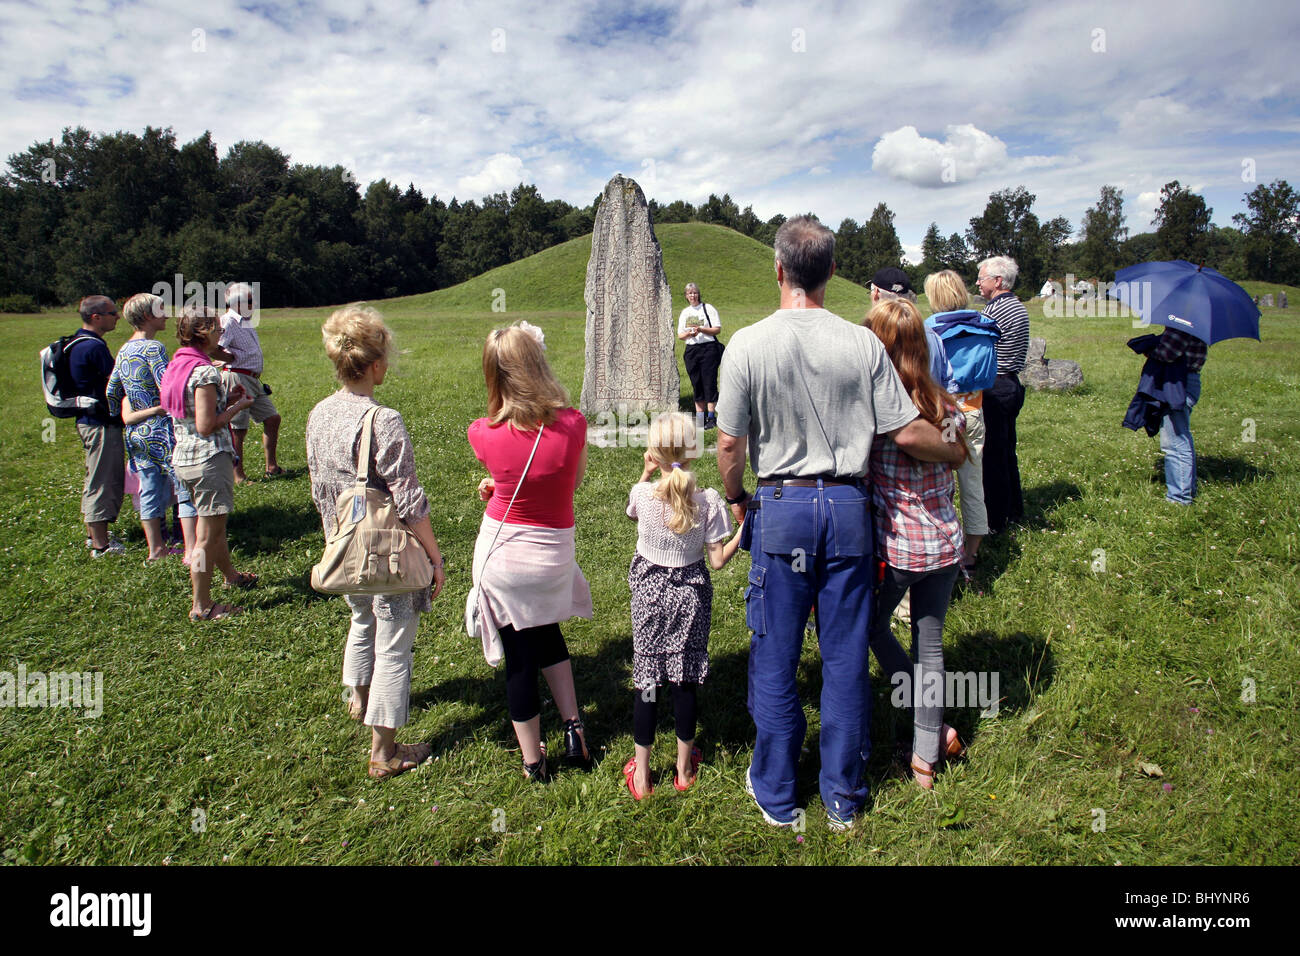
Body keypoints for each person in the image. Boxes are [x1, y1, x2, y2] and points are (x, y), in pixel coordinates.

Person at [715, 216, 966, 830]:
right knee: (847, 655)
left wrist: (738, 497)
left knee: (775, 654)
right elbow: (905, 430)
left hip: (781, 507)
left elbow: (727, 444)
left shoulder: (746, 344)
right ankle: (843, 796)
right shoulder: (862, 344)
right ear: (831, 271)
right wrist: (957, 449)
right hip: (849, 509)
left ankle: (776, 790)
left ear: (778, 270)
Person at [306, 305, 446, 779]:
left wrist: (334, 539)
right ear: (375, 364)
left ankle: (357, 698)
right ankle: (384, 751)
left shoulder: (318, 414)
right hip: (385, 550)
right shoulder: (383, 420)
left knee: (361, 618)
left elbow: (321, 489)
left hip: (343, 543)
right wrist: (433, 555)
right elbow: (408, 501)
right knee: (394, 638)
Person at [468, 322, 594, 782]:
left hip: (503, 558)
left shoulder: (482, 433)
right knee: (548, 634)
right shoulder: (574, 424)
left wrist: (497, 484)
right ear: (538, 366)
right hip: (552, 557)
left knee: (520, 657)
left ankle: (533, 761)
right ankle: (574, 728)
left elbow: (509, 474)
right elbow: (570, 483)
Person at [863, 299, 968, 789]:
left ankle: (926, 722)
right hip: (945, 545)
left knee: (867, 627)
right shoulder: (944, 405)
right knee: (931, 644)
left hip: (899, 549)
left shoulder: (877, 412)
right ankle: (927, 755)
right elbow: (960, 453)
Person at [623, 412, 743, 800]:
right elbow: (718, 560)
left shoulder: (642, 495)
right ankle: (684, 769)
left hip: (648, 593)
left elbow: (631, 511)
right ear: (694, 452)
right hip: (689, 596)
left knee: (648, 680)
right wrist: (746, 529)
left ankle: (642, 776)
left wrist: (645, 474)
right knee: (684, 680)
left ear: (653, 455)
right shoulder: (707, 502)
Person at [160, 306, 258, 622]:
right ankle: (201, 606)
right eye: (216, 328)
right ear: (203, 332)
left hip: (184, 459)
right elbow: (206, 425)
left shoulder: (178, 365)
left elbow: (190, 413)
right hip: (208, 459)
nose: (221, 333)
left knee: (213, 529)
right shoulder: (204, 371)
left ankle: (231, 577)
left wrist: (224, 404)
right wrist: (240, 406)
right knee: (206, 537)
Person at [106, 293, 197, 562]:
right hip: (163, 429)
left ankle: (155, 549)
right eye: (160, 310)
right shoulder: (153, 348)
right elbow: (167, 386)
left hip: (137, 432)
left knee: (150, 488)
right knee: (184, 486)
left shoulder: (124, 349)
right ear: (147, 316)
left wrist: (119, 416)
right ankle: (191, 550)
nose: (166, 315)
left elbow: (112, 390)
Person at [923, 270, 1001, 574]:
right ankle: (972, 551)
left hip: (945, 414)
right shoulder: (983, 325)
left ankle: (945, 545)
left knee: (941, 483)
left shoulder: (931, 329)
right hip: (975, 408)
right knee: (972, 481)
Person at [975, 256, 1030, 533]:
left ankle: (995, 519)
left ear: (997, 281)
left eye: (982, 278)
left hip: (996, 386)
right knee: (1007, 451)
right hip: (1012, 384)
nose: (977, 282)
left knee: (993, 455)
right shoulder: (1016, 306)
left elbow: (977, 344)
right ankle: (1013, 508)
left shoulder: (995, 311)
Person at [69, 295, 126, 556]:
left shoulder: (78, 342)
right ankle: (101, 545)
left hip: (89, 420)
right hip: (101, 423)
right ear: (96, 317)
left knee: (95, 475)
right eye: (112, 312)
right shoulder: (93, 348)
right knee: (102, 479)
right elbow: (115, 383)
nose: (117, 316)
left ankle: (95, 533)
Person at [217, 282, 283, 484]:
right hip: (237, 378)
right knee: (238, 429)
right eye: (250, 301)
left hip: (252, 379)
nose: (254, 304)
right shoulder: (228, 321)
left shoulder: (245, 321)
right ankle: (238, 475)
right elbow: (217, 348)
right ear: (236, 303)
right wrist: (228, 359)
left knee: (272, 418)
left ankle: (272, 467)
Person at [870, 267, 956, 393]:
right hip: (931, 409)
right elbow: (948, 384)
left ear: (876, 294)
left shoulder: (869, 337)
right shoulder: (933, 336)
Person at [1151, 327, 1207, 504]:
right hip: (1188, 379)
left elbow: (1167, 352)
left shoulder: (1183, 322)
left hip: (1178, 382)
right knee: (1181, 436)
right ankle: (1188, 489)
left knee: (1174, 442)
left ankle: (1179, 498)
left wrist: (1148, 347)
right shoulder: (1196, 322)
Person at [677, 283, 724, 429]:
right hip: (692, 350)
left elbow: (717, 329)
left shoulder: (708, 308)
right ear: (686, 296)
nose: (693, 295)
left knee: (709, 382)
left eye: (695, 293)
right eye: (690, 293)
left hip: (708, 349)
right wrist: (690, 334)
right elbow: (680, 335)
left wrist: (702, 329)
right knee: (696, 384)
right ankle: (699, 417)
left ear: (699, 294)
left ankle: (711, 417)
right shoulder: (685, 312)